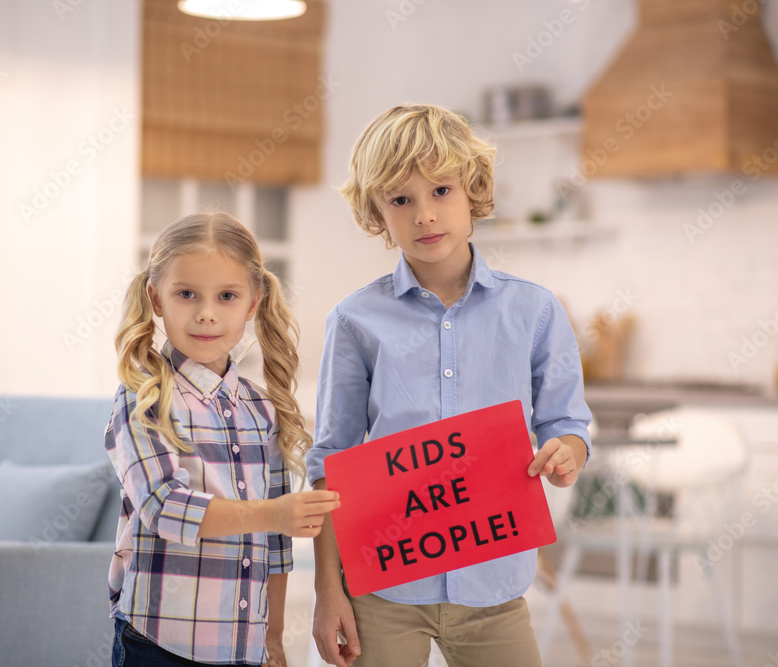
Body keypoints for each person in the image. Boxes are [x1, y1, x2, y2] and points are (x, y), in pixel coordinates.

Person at [307, 104, 592, 667]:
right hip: (383, 588)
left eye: (441, 190)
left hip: (495, 586)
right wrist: (328, 590)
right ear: (376, 212)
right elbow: (330, 462)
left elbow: (567, 426)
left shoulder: (535, 311)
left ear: (474, 192)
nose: (424, 216)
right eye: (400, 200)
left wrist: (568, 453)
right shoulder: (353, 321)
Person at [105, 212, 341, 667]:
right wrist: (273, 512)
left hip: (242, 650)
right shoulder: (142, 398)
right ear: (156, 299)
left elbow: (275, 544)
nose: (207, 312)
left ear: (252, 304)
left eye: (227, 296)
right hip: (157, 644)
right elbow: (164, 507)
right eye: (186, 294)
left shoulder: (260, 409)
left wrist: (272, 637)